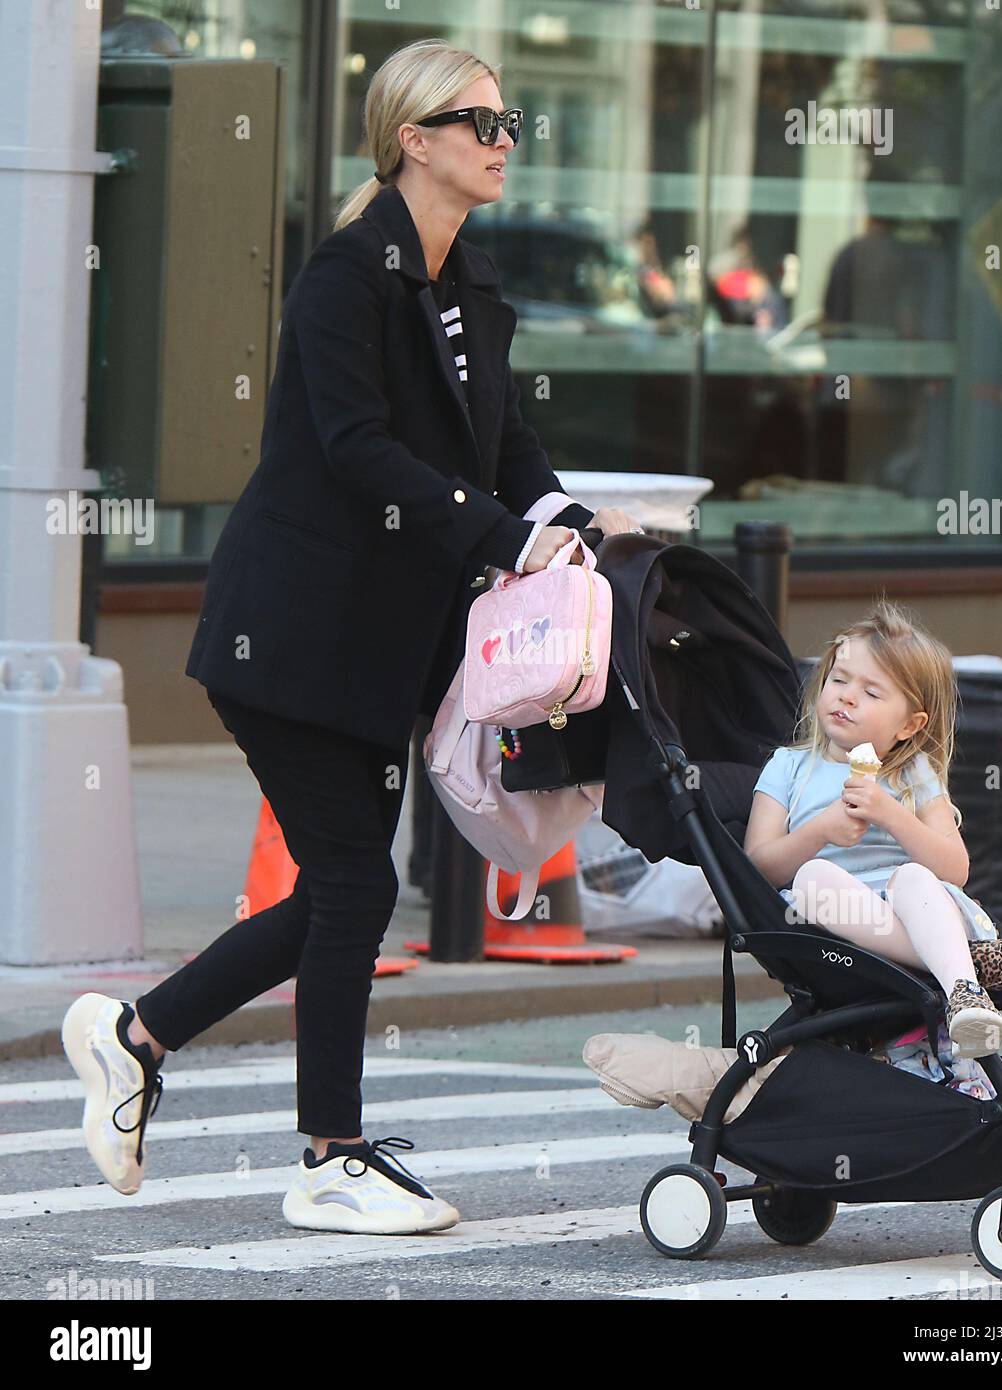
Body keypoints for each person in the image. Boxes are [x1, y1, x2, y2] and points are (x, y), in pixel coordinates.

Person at [59, 37, 643, 1237]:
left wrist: (573, 521)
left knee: (340, 890)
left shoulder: (470, 284)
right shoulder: (347, 276)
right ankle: (328, 1154)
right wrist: (499, 538)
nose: (500, 142)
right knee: (352, 884)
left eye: (507, 122)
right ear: (412, 139)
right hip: (290, 639)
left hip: (379, 651)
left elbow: (503, 455)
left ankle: (134, 1037)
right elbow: (354, 448)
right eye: (478, 122)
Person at [744, 598, 1002, 1059]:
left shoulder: (911, 771)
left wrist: (891, 813)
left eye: (871, 692)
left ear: (910, 724)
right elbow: (759, 866)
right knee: (810, 879)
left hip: (919, 910)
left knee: (913, 877)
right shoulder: (788, 767)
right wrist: (820, 830)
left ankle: (963, 990)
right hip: (833, 927)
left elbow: (955, 868)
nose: (846, 696)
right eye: (839, 680)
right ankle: (970, 965)